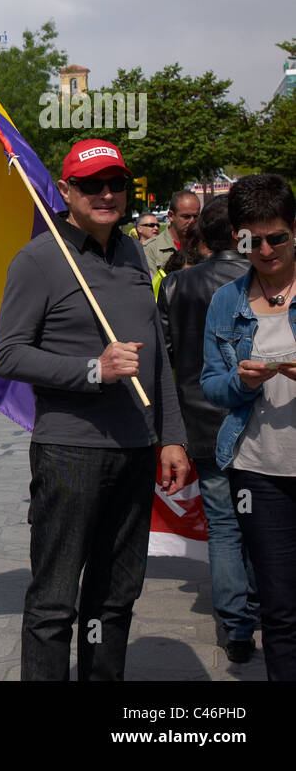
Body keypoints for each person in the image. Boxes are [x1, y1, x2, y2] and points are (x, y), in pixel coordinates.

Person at [0, 139, 189, 681]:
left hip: (135, 450)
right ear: (65, 191)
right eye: (91, 185)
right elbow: (7, 355)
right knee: (55, 601)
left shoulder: (131, 253)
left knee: (117, 596)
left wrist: (171, 436)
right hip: (69, 452)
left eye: (115, 183)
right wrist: (91, 369)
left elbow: (157, 357)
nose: (106, 194)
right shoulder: (38, 259)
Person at [201, 173, 296, 681]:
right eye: (250, 240)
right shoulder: (226, 302)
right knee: (280, 611)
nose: (263, 250)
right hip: (259, 472)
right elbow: (210, 385)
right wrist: (242, 382)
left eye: (275, 237)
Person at [158, 195, 258, 663]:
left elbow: (165, 355)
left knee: (223, 524)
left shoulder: (178, 284)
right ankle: (255, 611)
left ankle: (236, 626)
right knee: (265, 521)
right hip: (257, 418)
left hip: (199, 419)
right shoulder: (264, 278)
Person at [144, 190, 201, 274]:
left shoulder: (203, 245)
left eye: (196, 216)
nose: (192, 221)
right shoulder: (150, 249)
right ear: (171, 216)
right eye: (186, 217)